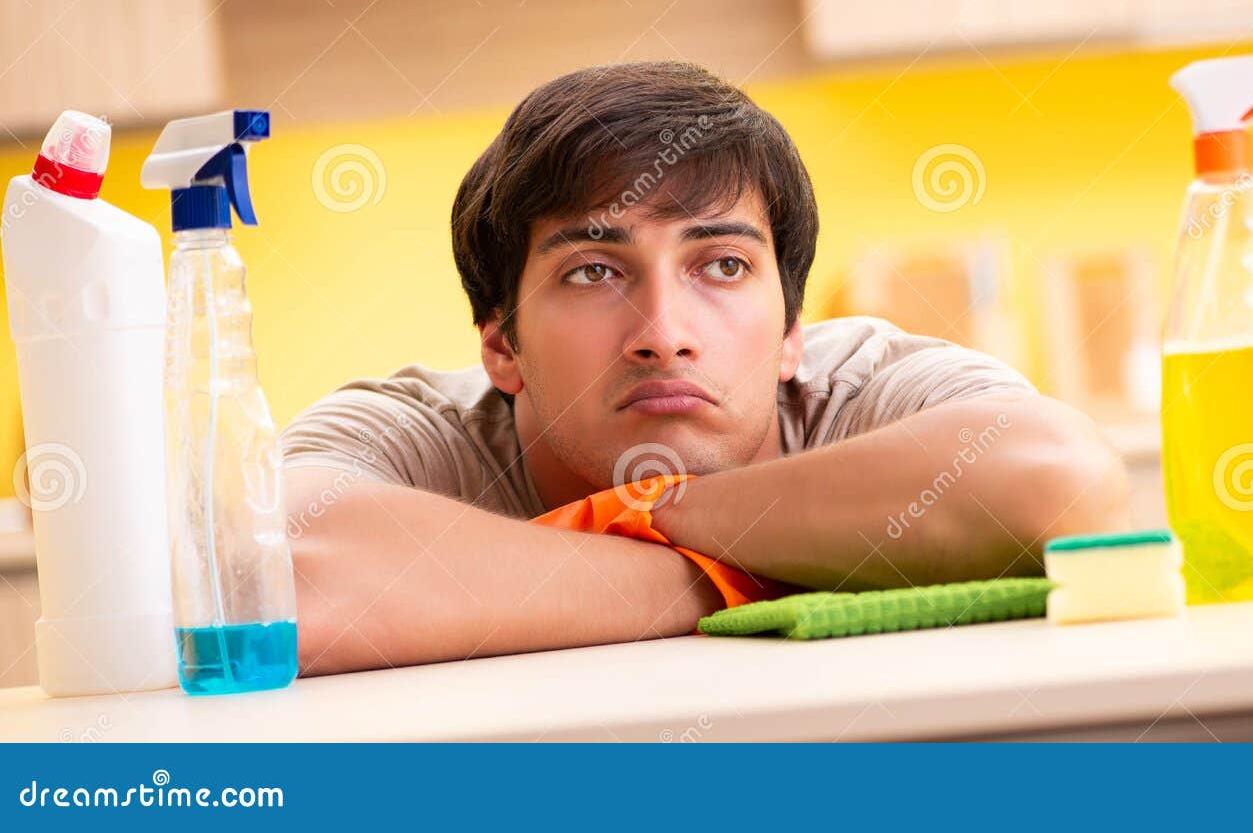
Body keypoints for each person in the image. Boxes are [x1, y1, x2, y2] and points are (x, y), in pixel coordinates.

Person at [280, 60, 1128, 675]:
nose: (665, 334)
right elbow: (270, 572)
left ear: (793, 329)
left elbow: (1061, 481)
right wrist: (713, 571)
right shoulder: (417, 432)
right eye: (593, 271)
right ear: (503, 345)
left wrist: (657, 511)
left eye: (721, 265)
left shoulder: (857, 383)